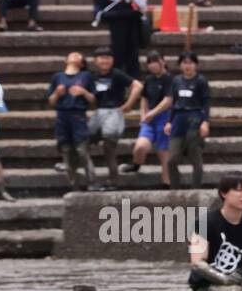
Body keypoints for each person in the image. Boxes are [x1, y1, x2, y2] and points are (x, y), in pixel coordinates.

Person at [187, 172, 242, 291]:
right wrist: (223, 279)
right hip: (208, 282)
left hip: (241, 278)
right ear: (223, 193)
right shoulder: (203, 223)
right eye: (239, 190)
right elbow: (197, 263)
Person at [86, 47, 142, 192]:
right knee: (82, 142)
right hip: (98, 113)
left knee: (109, 150)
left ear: (112, 60)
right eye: (101, 58)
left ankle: (113, 181)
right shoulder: (93, 76)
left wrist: (128, 104)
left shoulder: (117, 74)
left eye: (108, 58)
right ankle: (79, 170)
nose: (105, 61)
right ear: (95, 60)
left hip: (114, 113)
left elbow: (137, 85)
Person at [120, 51, 173, 187]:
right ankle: (136, 164)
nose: (153, 65)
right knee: (140, 146)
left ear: (163, 61)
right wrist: (143, 114)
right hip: (149, 120)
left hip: (164, 117)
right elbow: (144, 97)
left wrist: (152, 113)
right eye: (149, 62)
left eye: (155, 61)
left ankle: (166, 181)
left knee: (163, 151)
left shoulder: (169, 78)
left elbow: (168, 100)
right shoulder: (149, 79)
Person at [47, 52, 96, 191]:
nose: (75, 56)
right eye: (72, 55)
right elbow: (51, 101)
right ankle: (73, 184)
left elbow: (93, 99)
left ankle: (91, 182)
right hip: (62, 116)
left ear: (82, 63)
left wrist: (83, 92)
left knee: (82, 151)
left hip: (78, 115)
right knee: (66, 151)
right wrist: (57, 93)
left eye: (78, 55)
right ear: (66, 60)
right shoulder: (57, 77)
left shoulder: (86, 76)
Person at [164, 52, 210, 190]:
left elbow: (206, 103)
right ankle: (175, 188)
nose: (187, 66)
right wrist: (169, 121)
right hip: (178, 118)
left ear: (195, 64)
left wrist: (205, 122)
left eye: (190, 63)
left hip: (194, 117)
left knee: (195, 154)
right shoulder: (176, 80)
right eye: (184, 63)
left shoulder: (201, 81)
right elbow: (174, 102)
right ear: (180, 65)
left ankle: (195, 188)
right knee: (172, 159)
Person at [99, 0, 145, 81]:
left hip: (132, 30)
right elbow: (101, 14)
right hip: (116, 30)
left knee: (133, 58)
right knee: (117, 57)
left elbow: (140, 10)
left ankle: (134, 83)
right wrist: (121, 14)